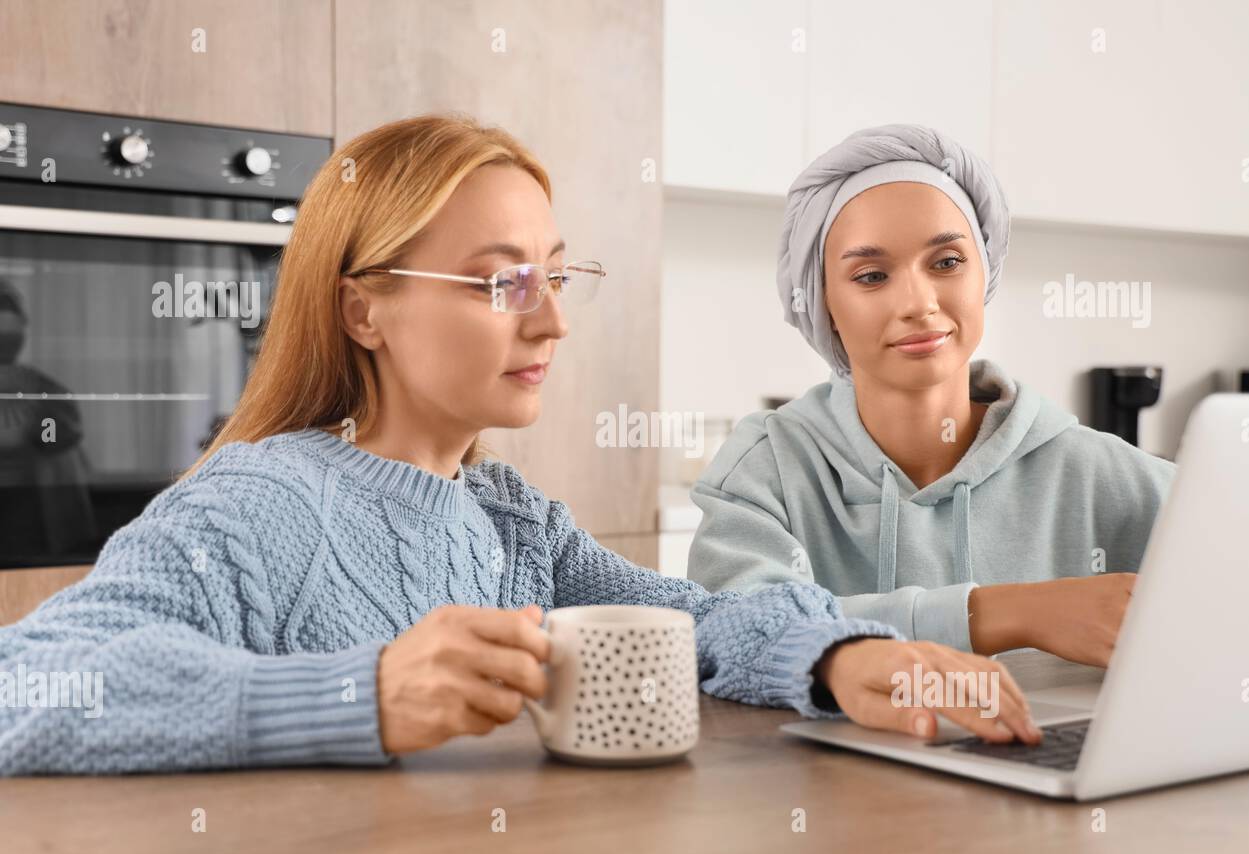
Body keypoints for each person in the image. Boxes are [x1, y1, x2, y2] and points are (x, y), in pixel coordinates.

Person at [0, 115, 1043, 776]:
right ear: (365, 312)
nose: (551, 322)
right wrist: (359, 693)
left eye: (555, 276)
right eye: (504, 284)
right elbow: (28, 684)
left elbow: (700, 620)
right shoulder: (258, 500)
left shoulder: (510, 519)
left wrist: (842, 658)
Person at [688, 124, 1173, 738]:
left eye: (946, 262)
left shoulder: (1092, 469)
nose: (918, 302)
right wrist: (1007, 613)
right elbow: (730, 630)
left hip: (1043, 806)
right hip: (827, 811)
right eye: (870, 276)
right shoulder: (767, 469)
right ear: (822, 302)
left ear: (984, 274)